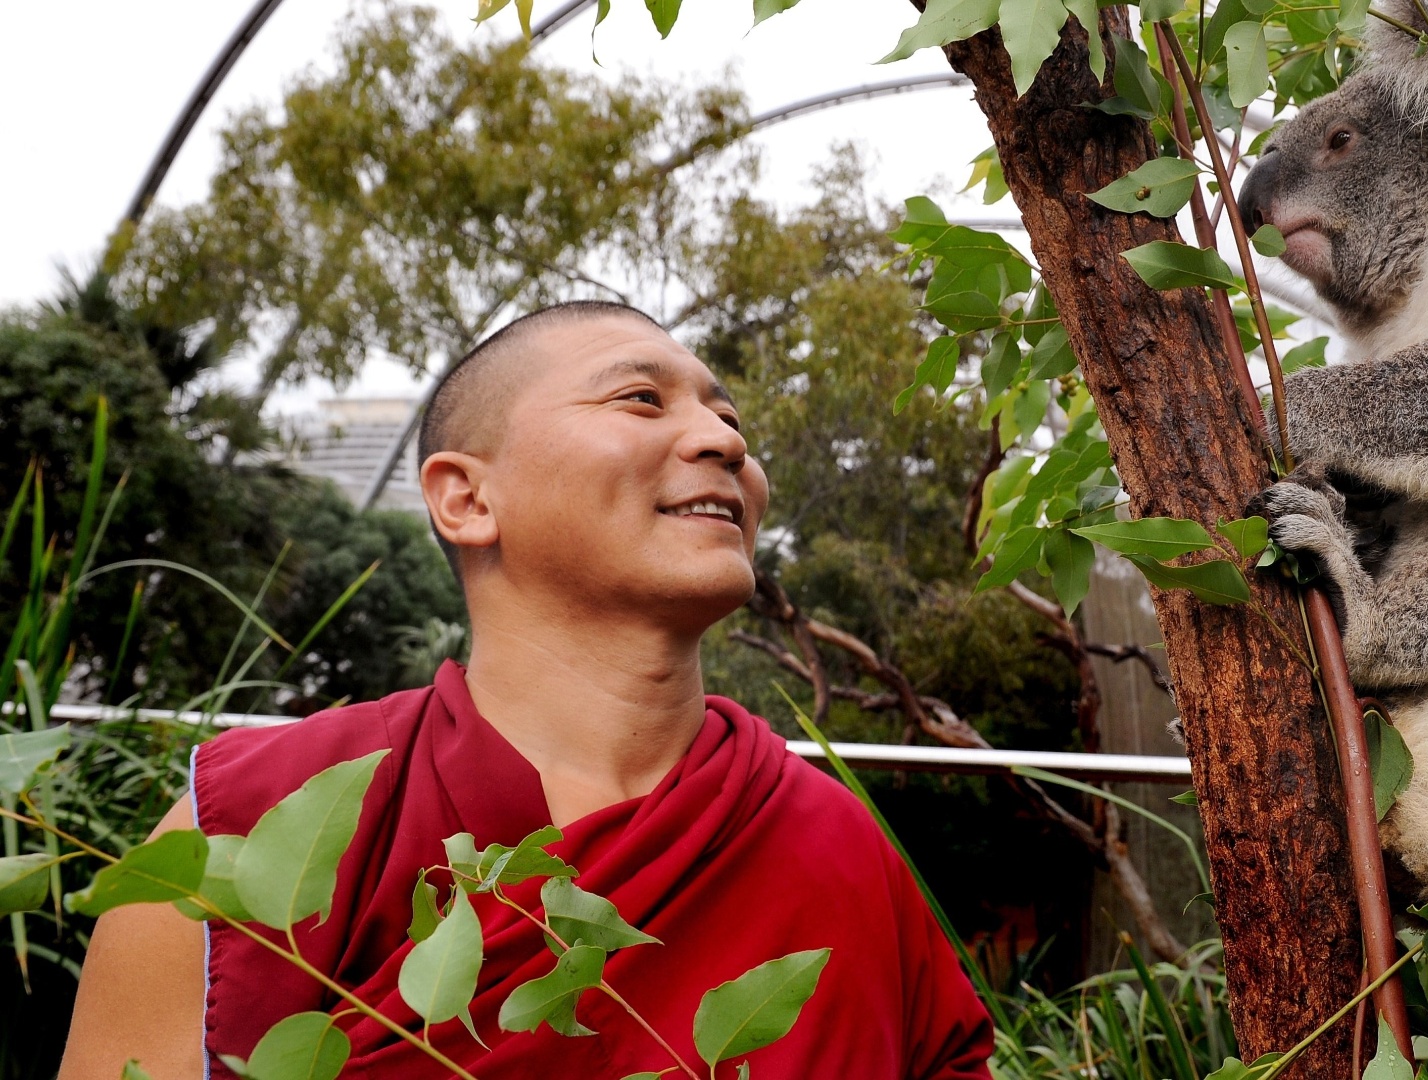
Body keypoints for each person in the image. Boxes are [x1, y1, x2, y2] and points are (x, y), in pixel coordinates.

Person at [60, 301, 994, 1079]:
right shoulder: (255, 828)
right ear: (467, 499)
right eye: (640, 398)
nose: (721, 441)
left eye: (732, 422)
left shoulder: (833, 841)